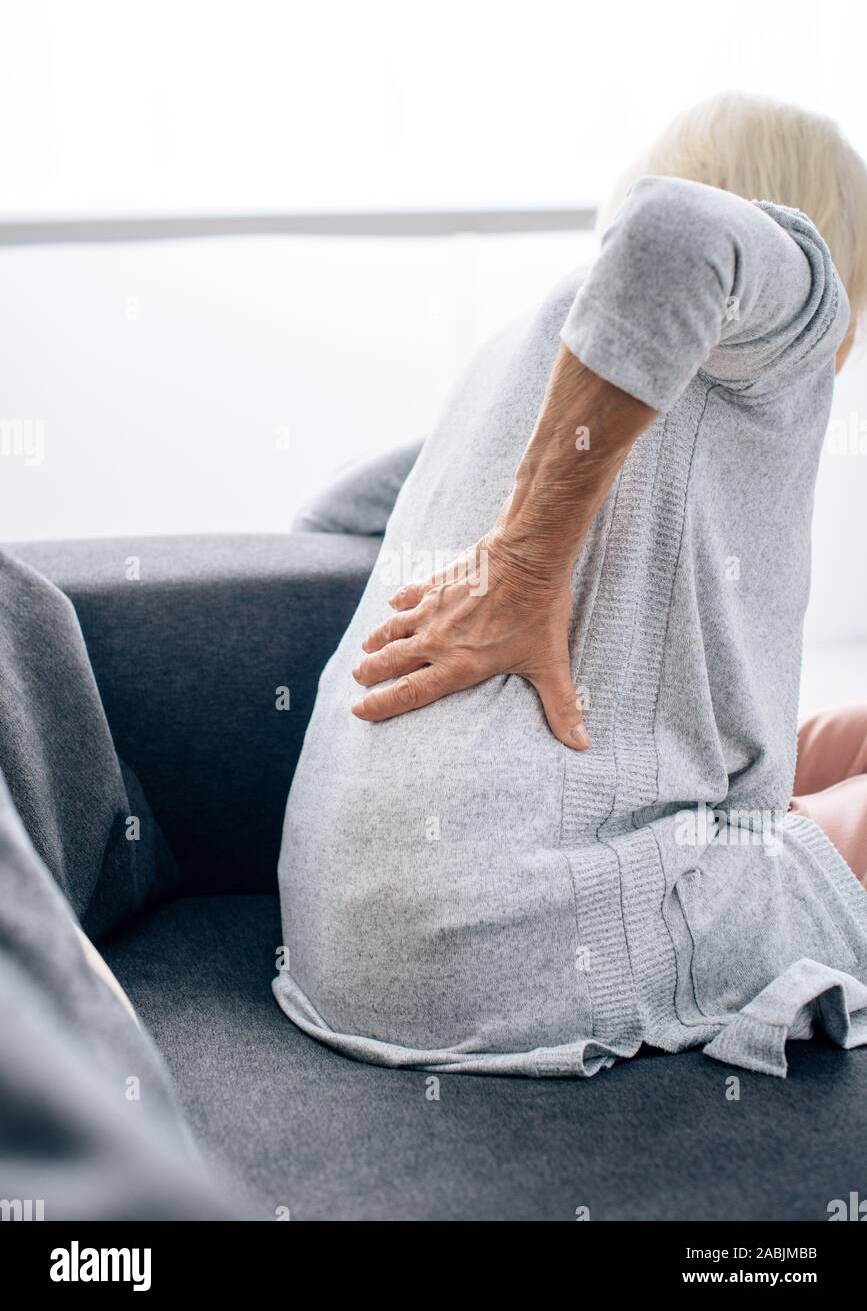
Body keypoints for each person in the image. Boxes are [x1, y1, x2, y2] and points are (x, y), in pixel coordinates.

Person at [274, 93, 867, 1079]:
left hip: (340, 938)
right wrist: (519, 570)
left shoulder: (522, 368)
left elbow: (330, 521)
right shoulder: (794, 307)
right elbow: (674, 232)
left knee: (836, 740)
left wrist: (497, 599)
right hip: (504, 945)